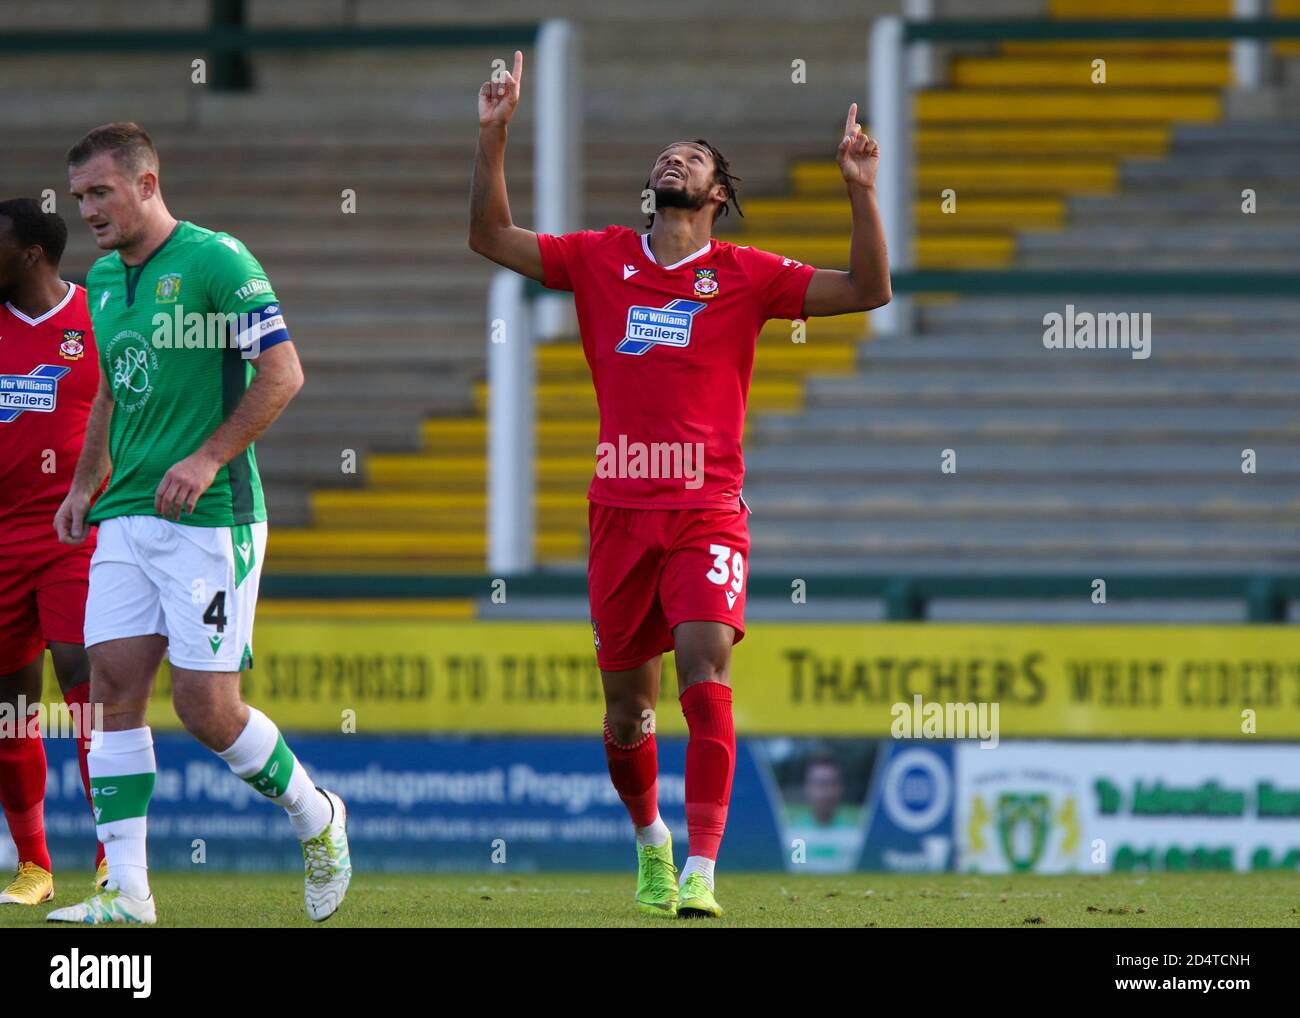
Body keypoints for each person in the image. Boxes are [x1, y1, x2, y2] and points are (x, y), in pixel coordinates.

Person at [469, 53, 890, 917]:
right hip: (618, 512)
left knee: (706, 671)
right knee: (628, 716)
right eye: (665, 156)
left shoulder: (746, 274)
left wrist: (859, 189)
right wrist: (494, 136)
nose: (674, 161)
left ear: (717, 194)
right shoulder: (600, 259)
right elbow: (489, 237)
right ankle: (651, 842)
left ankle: (702, 869)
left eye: (692, 159)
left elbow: (870, 289)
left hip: (706, 511)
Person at [48, 122, 350, 924]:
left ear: (148, 184)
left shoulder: (217, 260)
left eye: (101, 193)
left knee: (206, 709)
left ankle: (316, 815)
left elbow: (282, 372)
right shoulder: (105, 281)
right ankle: (128, 895)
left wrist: (210, 456)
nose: (89, 212)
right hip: (124, 518)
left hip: (209, 518)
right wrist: (85, 483)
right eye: (79, 198)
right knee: (110, 692)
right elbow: (111, 388)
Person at [0, 199, 104, 904]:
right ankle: (34, 866)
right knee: (9, 710)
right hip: (1, 537)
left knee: (89, 684)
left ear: (31, 251)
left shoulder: (99, 317)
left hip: (75, 529)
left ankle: (113, 856)